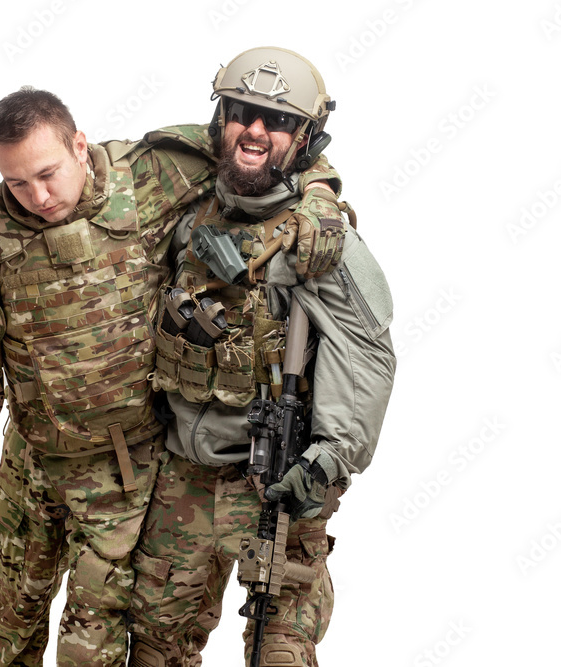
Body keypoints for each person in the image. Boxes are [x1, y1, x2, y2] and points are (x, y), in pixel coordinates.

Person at [0, 85, 345, 667]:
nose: (38, 197)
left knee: (92, 645)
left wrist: (320, 195)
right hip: (33, 460)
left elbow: (260, 149)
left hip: (125, 470)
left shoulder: (150, 174)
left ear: (79, 144)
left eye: (48, 174)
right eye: (16, 183)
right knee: (11, 622)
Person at [127, 47, 397, 667]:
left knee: (279, 653)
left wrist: (328, 459)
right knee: (154, 648)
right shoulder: (185, 202)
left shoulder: (320, 240)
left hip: (273, 479)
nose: (254, 130)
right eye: (240, 112)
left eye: (277, 121)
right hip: (181, 474)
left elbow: (367, 355)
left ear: (305, 137)